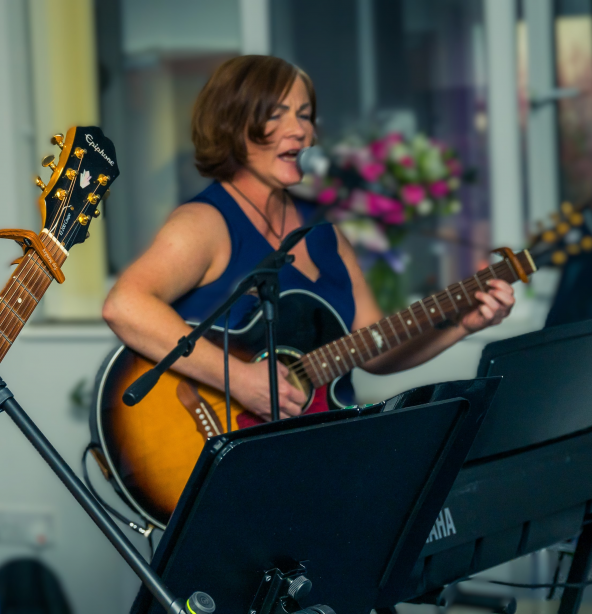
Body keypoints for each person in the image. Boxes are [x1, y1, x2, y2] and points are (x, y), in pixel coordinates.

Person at [102, 55, 515, 424]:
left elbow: (374, 349)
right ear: (232, 126)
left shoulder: (324, 231)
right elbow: (125, 305)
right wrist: (243, 381)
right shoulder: (203, 223)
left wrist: (460, 324)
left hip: (322, 446)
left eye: (304, 115)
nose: (299, 131)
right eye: (277, 115)